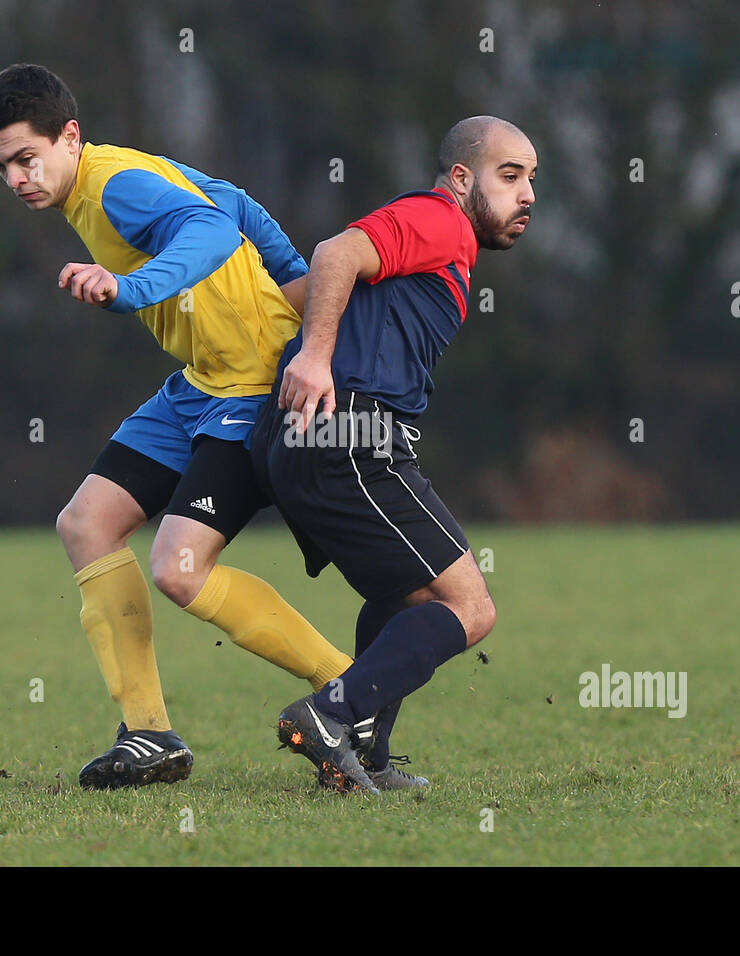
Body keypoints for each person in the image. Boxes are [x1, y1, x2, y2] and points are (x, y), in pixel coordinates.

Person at [0, 64, 352, 790]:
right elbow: (230, 199)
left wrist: (128, 288)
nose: (17, 178)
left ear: (68, 136)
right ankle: (149, 736)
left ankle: (354, 690)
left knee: (179, 571)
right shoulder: (97, 181)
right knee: (86, 524)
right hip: (200, 385)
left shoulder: (114, 185)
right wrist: (292, 271)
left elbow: (208, 224)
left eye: (26, 158)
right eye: (1, 167)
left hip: (251, 385)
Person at [252, 116, 537, 793]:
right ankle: (327, 716)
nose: (527, 194)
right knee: (472, 610)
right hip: (348, 432)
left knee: (405, 595)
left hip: (302, 439)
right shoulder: (439, 219)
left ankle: (362, 758)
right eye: (510, 175)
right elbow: (335, 254)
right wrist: (316, 358)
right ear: (461, 178)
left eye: (532, 180)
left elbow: (306, 294)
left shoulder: (448, 248)